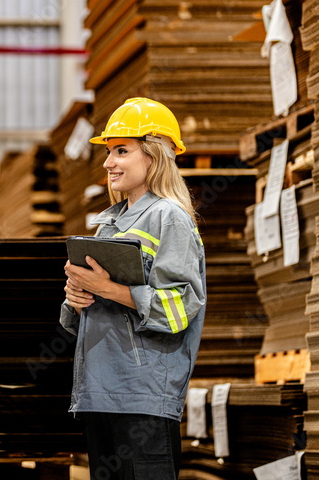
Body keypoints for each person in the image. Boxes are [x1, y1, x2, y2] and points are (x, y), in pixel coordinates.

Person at [60, 97, 207, 480]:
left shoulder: (169, 219)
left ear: (154, 156)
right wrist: (76, 298)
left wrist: (108, 288)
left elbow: (180, 307)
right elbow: (90, 308)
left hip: (143, 399)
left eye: (121, 151)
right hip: (99, 392)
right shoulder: (109, 224)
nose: (109, 163)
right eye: (109, 152)